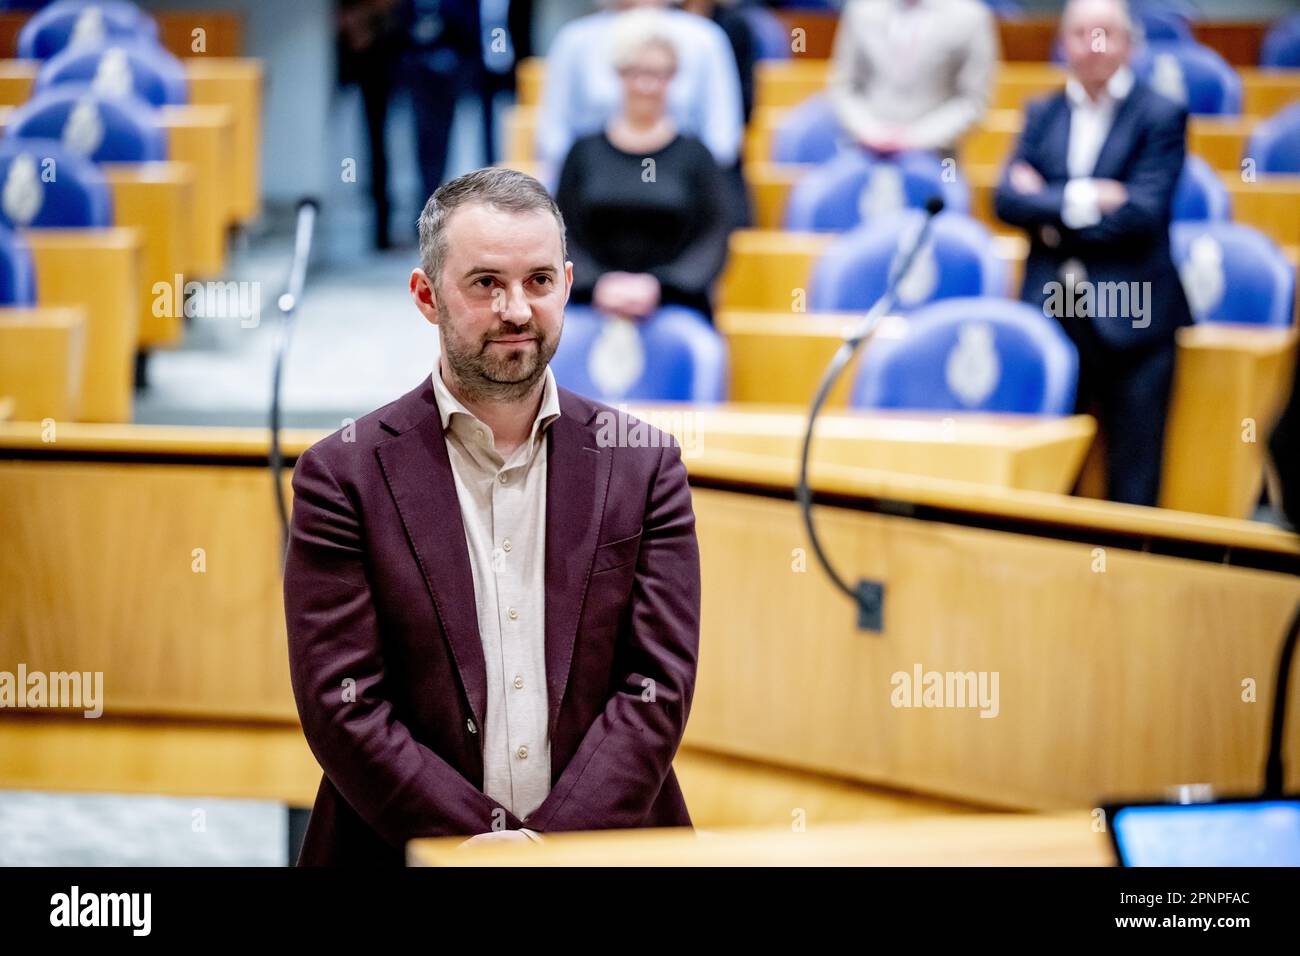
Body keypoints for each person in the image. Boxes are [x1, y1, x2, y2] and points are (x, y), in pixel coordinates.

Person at [283, 167, 702, 865]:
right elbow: (345, 704)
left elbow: (654, 689)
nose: (516, 309)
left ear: (568, 284)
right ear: (426, 296)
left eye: (539, 281)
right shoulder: (342, 476)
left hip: (609, 853)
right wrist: (480, 852)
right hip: (404, 850)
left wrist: (546, 853)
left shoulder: (644, 464)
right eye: (485, 284)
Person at [994, 0, 1192, 506]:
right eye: (1081, 33)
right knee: (1051, 479)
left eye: (1105, 32)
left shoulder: (1160, 114)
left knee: (1134, 478)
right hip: (1055, 312)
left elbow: (1142, 214)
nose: (1093, 44)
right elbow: (1007, 201)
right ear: (1063, 43)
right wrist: (1088, 197)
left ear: (1129, 43)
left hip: (1134, 315)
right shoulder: (1042, 112)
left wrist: (1052, 210)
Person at [554, 14, 730, 324]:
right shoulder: (584, 154)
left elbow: (712, 238)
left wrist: (659, 286)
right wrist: (598, 284)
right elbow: (563, 233)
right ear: (619, 75)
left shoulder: (696, 157)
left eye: (659, 74)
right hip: (589, 304)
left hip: (677, 307)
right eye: (636, 72)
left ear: (672, 77)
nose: (647, 85)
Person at [536, 0, 746, 224]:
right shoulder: (574, 39)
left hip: (684, 194)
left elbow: (722, 140)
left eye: (660, 74)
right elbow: (553, 138)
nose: (646, 86)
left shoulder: (705, 38)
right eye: (631, 73)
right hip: (592, 190)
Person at [828, 0, 999, 158]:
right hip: (865, 152)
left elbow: (973, 101)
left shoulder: (970, 17)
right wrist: (870, 131)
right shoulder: (861, 11)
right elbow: (844, 87)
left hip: (936, 158)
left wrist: (915, 138)